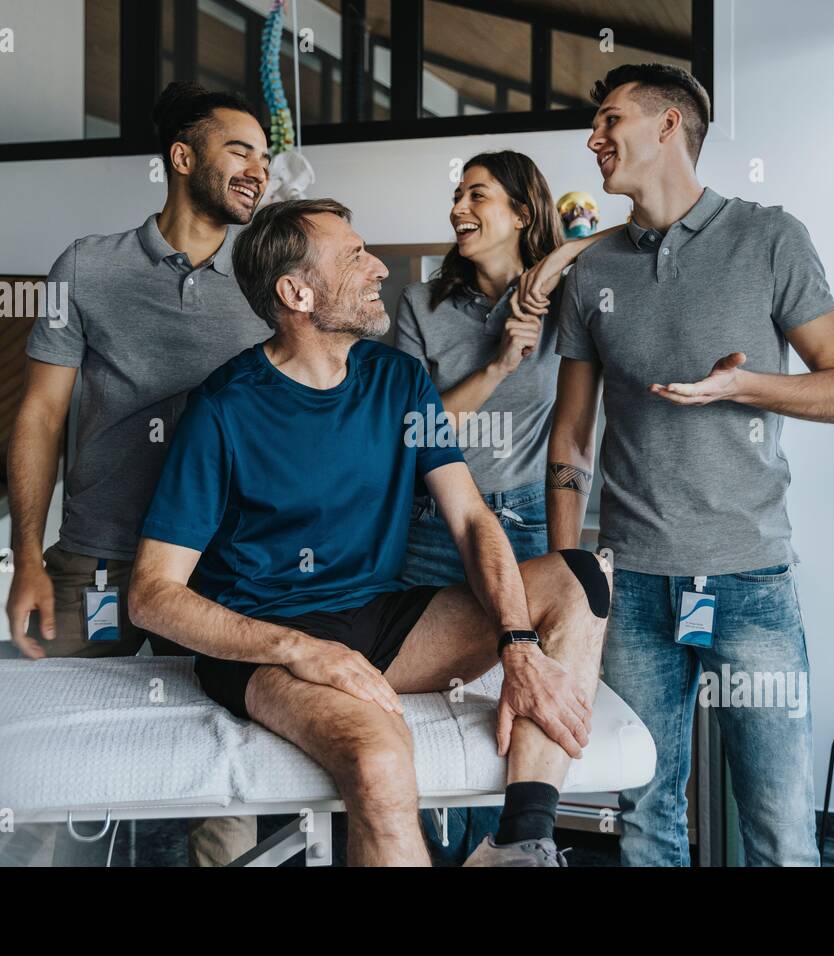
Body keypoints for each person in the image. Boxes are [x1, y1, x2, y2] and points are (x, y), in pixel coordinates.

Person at [127, 198, 614, 867]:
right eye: (354, 257)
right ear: (297, 292)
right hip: (266, 641)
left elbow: (471, 520)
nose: (378, 268)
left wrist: (519, 642)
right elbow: (151, 594)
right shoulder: (223, 409)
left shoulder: (399, 380)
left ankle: (522, 840)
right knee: (381, 763)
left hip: (379, 618)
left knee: (580, 576)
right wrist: (298, 649)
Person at [543, 63, 834, 866]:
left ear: (667, 126)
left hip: (748, 581)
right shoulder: (592, 270)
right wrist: (571, 567)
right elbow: (570, 437)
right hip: (637, 591)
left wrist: (745, 386)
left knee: (778, 825)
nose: (593, 139)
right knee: (646, 813)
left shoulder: (769, 237)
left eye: (609, 119)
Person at [5, 81, 271, 866]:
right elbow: (39, 417)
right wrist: (27, 557)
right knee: (56, 765)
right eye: (240, 151)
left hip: (221, 576)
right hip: (98, 568)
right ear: (181, 157)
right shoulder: (86, 268)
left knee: (228, 789)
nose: (259, 169)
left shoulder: (269, 284)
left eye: (266, 155)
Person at [393, 150, 613, 861]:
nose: (458, 206)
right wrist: (496, 366)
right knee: (436, 712)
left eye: (476, 194)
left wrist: (547, 272)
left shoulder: (570, 296)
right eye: (455, 193)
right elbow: (411, 434)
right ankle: (443, 854)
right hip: (434, 525)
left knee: (514, 704)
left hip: (526, 520)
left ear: (523, 211)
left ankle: (518, 845)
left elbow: (640, 230)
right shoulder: (421, 304)